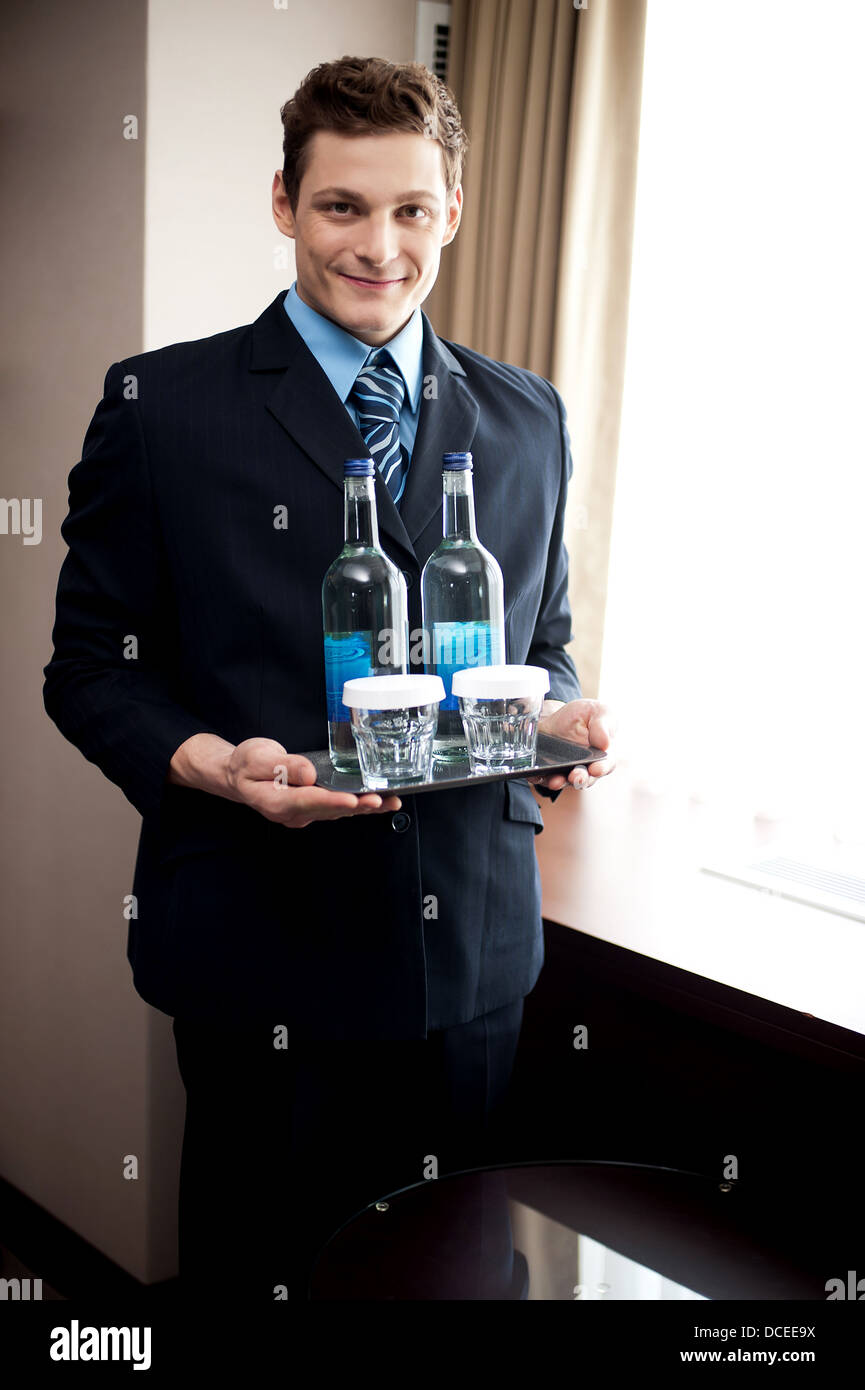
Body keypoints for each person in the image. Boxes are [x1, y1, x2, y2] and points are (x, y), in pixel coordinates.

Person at [43, 55, 616, 1300]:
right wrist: (215, 767)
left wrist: (557, 715)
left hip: (470, 953)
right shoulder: (160, 406)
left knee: (450, 1284)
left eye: (411, 210)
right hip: (265, 947)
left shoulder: (530, 418)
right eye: (342, 206)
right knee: (264, 1280)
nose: (379, 245)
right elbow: (89, 669)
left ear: (452, 213)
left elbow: (546, 633)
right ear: (284, 204)